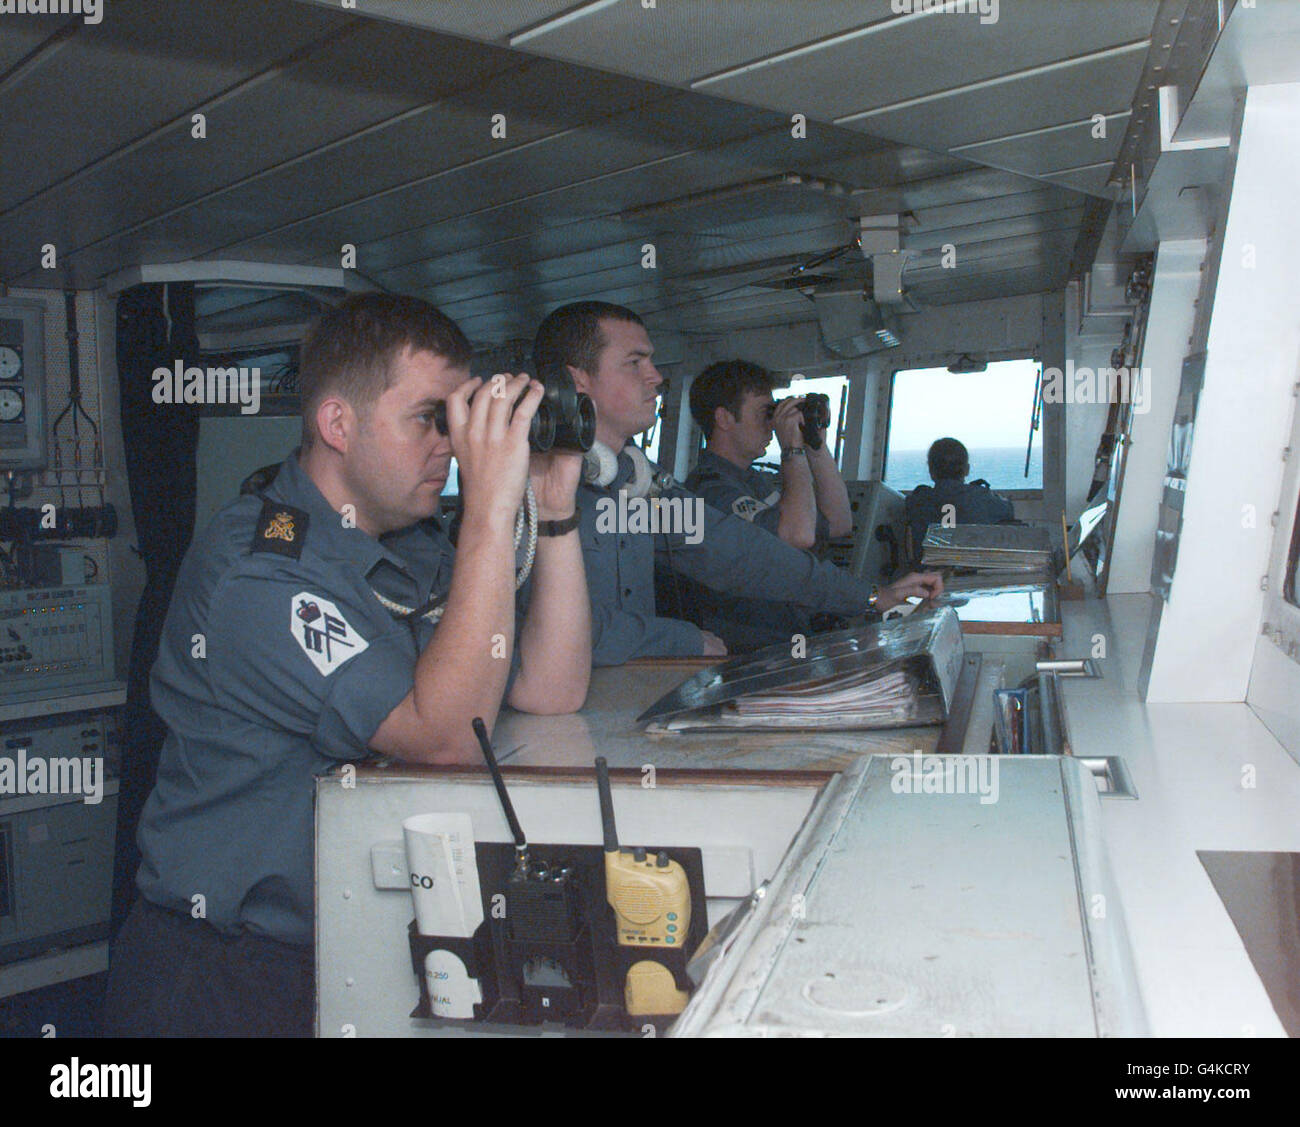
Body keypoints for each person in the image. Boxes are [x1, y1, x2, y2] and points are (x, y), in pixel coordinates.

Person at [102, 294, 591, 1037]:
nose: (453, 445)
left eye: (457, 418)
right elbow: (445, 737)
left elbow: (549, 687)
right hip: (223, 976)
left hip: (347, 951)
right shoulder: (259, 571)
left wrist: (550, 510)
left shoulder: (418, 546)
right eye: (429, 417)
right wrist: (491, 509)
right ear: (338, 424)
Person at [531, 301, 943, 664]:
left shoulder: (637, 483)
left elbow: (743, 553)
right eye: (635, 362)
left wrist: (870, 597)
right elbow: (543, 625)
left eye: (651, 361)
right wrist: (681, 640)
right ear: (579, 379)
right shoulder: (529, 492)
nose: (656, 376)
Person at [905, 437, 1018, 560]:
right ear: (966, 469)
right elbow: (1009, 511)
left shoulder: (916, 502)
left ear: (931, 470)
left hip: (926, 576)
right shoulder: (983, 498)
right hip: (974, 574)